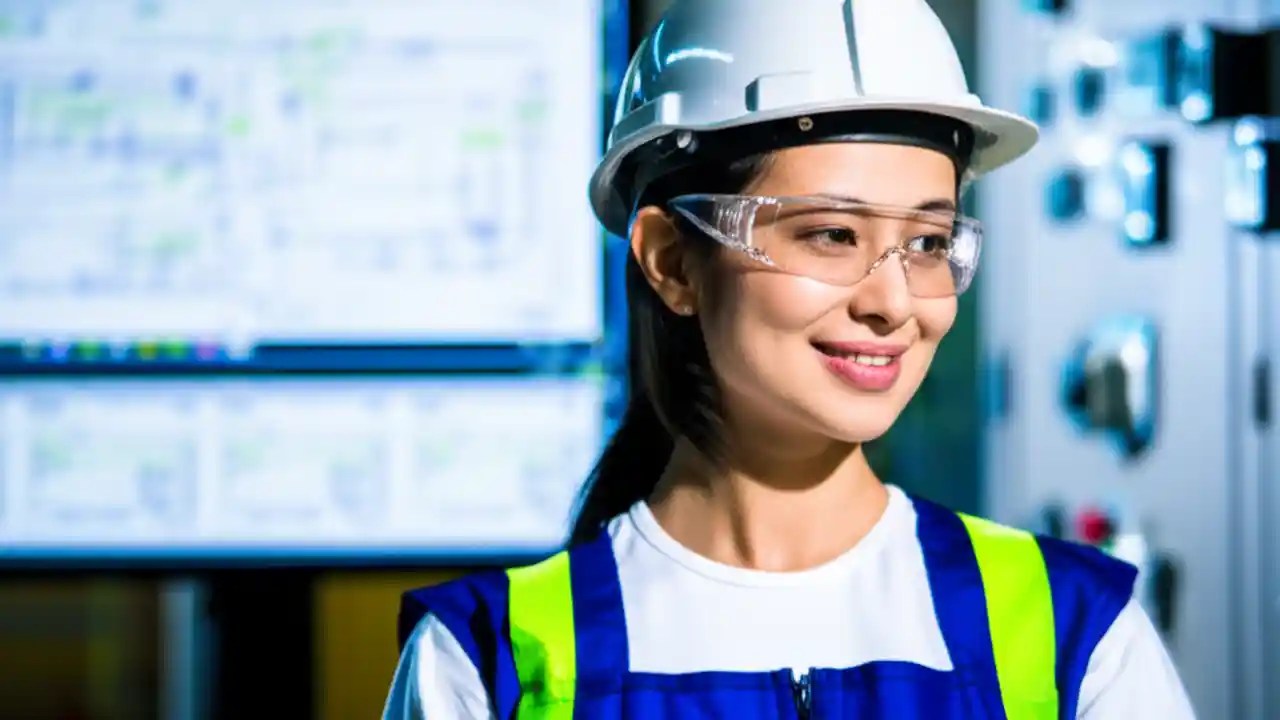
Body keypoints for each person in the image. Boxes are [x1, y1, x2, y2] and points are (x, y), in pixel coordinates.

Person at [383, 0, 1196, 717]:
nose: (893, 302)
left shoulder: (1074, 632)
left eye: (928, 242)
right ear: (672, 262)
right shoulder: (487, 664)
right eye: (832, 234)